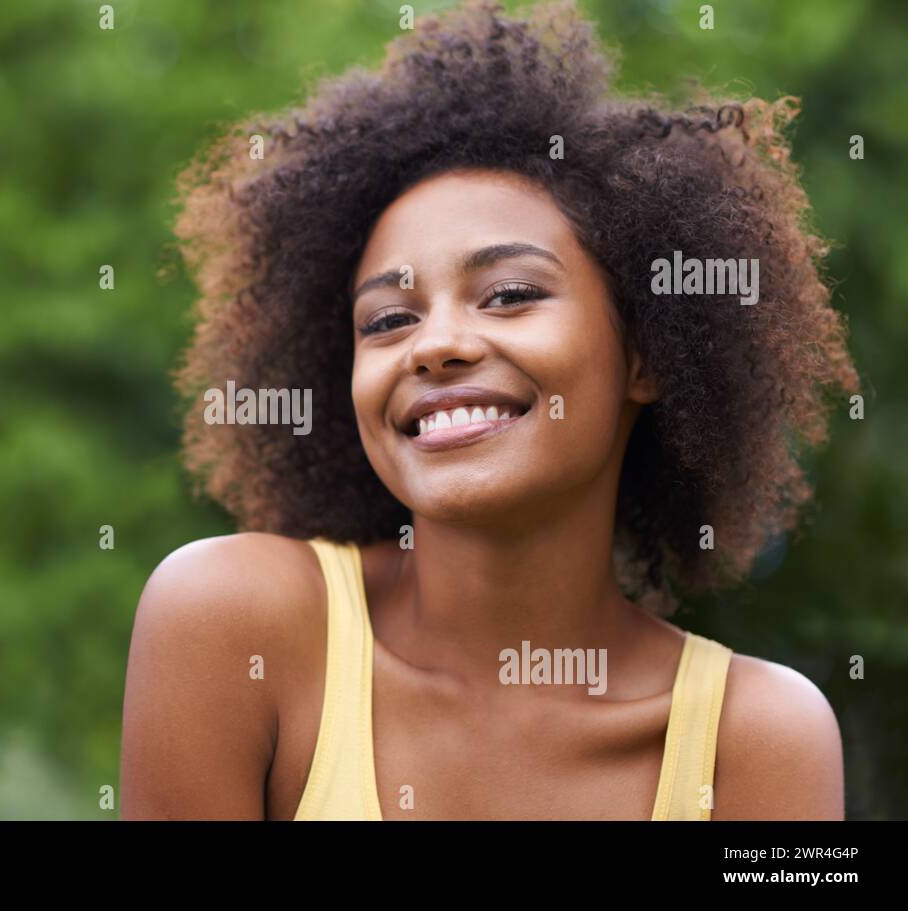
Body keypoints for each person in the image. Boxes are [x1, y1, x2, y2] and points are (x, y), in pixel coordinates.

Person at [120, 0, 856, 820]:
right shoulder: (233, 624)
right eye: (388, 320)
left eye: (508, 295)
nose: (434, 345)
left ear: (645, 354)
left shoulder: (754, 740)